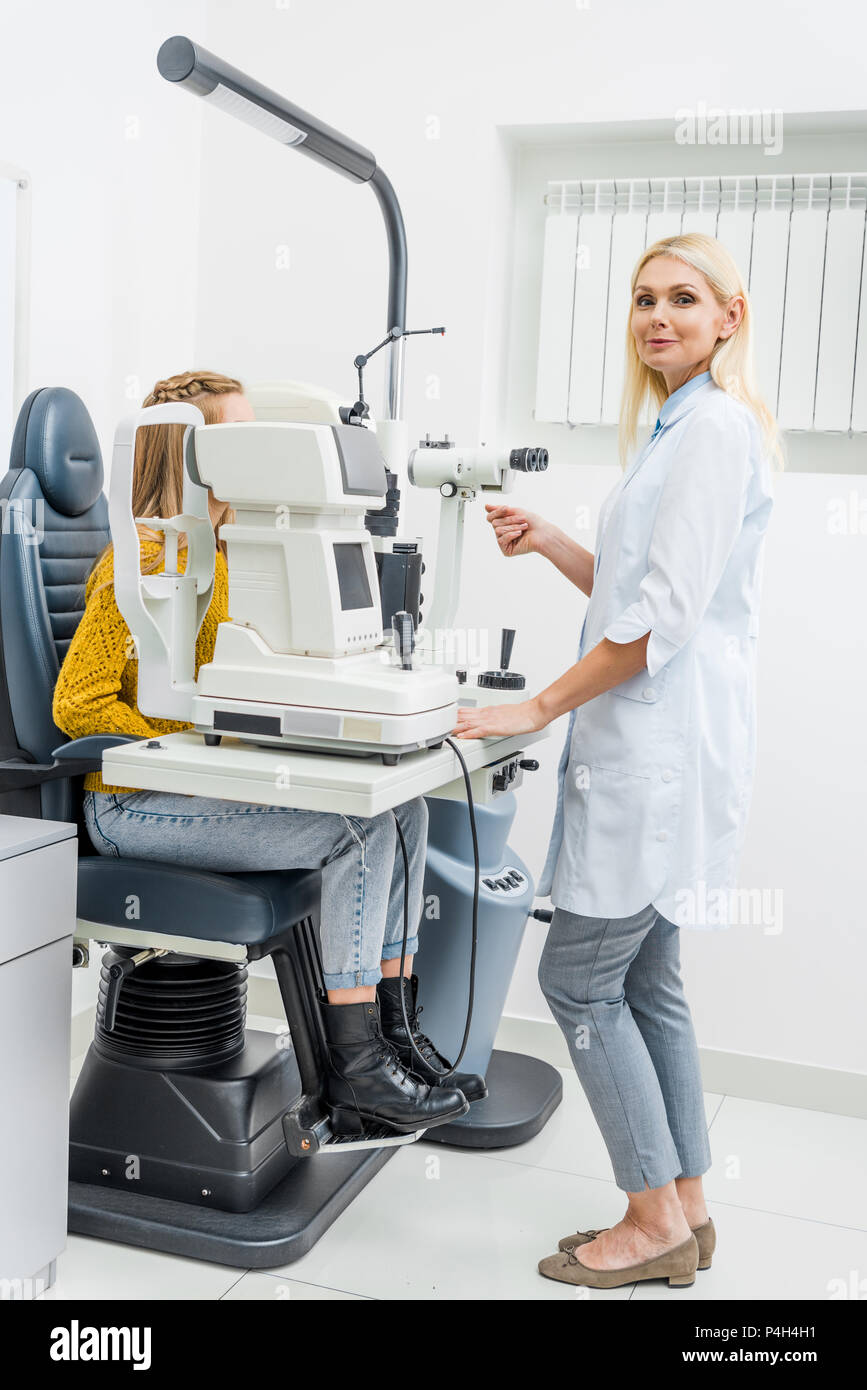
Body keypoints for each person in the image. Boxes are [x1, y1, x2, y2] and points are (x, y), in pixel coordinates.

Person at [454, 234, 778, 1289]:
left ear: (730, 316)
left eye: (683, 299)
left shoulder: (711, 430)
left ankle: (646, 1222)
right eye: (644, 300)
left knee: (579, 981)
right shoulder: (681, 429)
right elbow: (640, 591)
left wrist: (536, 707)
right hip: (670, 745)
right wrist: (553, 542)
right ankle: (683, 1203)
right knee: (649, 979)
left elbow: (660, 621)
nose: (657, 317)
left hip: (657, 748)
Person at [53, 369, 484, 1138]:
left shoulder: (228, 549)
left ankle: (392, 1035)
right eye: (235, 437)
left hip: (189, 789)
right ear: (190, 453)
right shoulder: (146, 556)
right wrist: (188, 737)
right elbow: (75, 704)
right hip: (130, 805)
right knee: (353, 829)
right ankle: (356, 1074)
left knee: (406, 811)